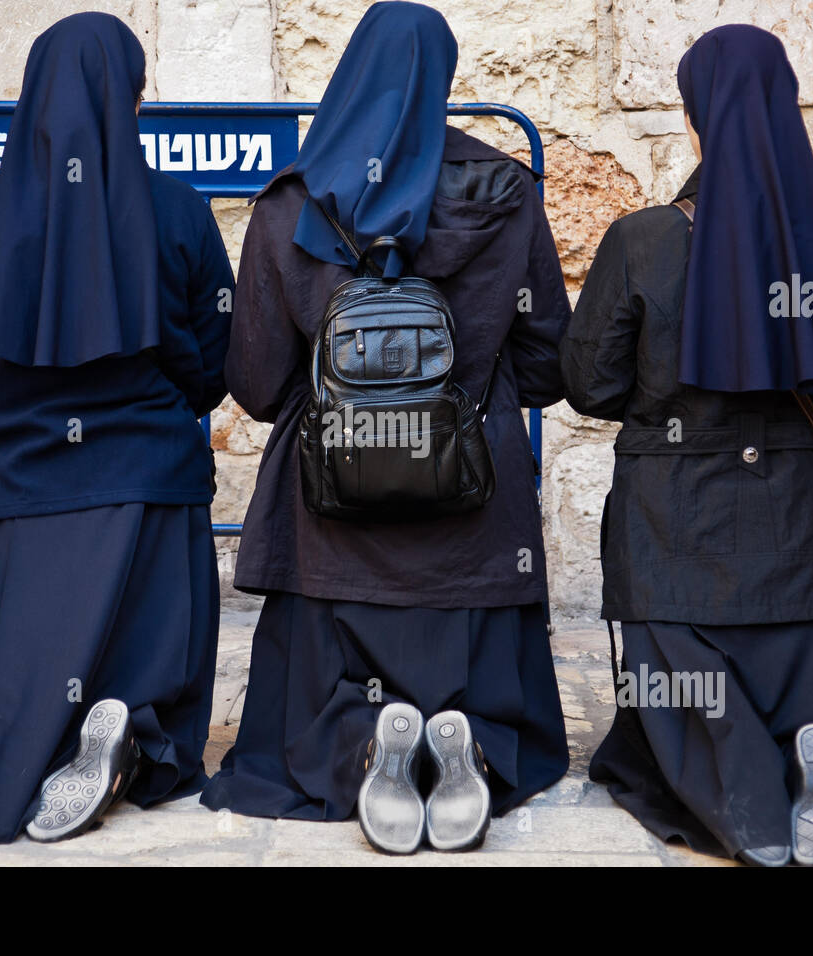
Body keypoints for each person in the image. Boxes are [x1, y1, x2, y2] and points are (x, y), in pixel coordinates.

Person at [199, 1, 571, 854]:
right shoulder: (508, 192)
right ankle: (468, 738)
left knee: (308, 703)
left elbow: (254, 384)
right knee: (481, 663)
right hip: (471, 512)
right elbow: (549, 358)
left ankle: (361, 740)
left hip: (330, 517)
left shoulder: (292, 202)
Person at [560, 24, 813, 866]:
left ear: (694, 119)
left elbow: (591, 387)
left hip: (676, 545)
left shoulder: (643, 240)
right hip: (810, 548)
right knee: (810, 672)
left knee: (682, 710)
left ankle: (748, 796)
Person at [0, 12, 234, 845]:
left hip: (19, 478)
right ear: (133, 102)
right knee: (157, 602)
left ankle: (47, 736)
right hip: (148, 476)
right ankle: (133, 721)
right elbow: (213, 365)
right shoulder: (180, 210)